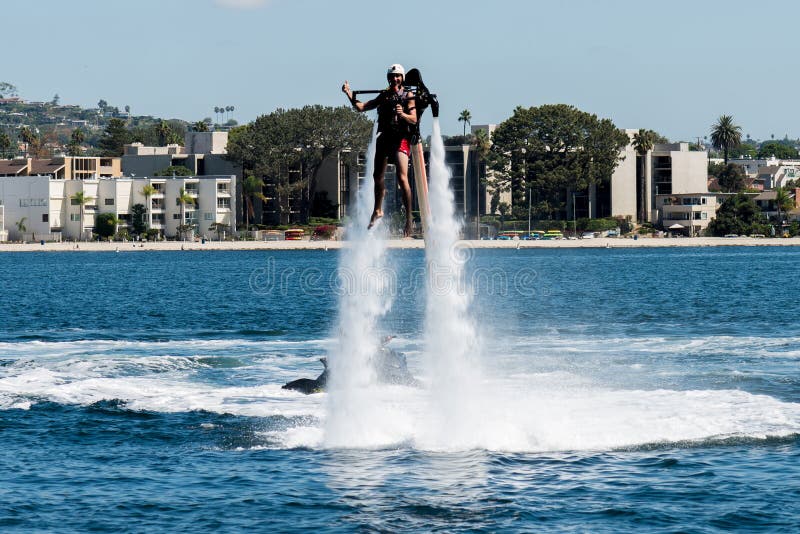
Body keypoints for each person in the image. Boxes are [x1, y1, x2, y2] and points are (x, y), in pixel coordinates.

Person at [342, 64, 417, 236]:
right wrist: (348, 93)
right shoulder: (384, 96)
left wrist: (403, 114)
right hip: (385, 138)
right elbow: (361, 107)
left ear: (402, 78)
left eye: (397, 76)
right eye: (392, 77)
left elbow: (413, 119)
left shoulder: (408, 95)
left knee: (402, 177)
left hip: (401, 139)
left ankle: (408, 218)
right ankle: (377, 210)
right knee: (377, 176)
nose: (394, 79)